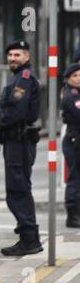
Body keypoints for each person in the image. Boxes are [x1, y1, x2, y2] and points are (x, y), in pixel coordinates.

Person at [0, 39, 42, 256]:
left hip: (19, 140)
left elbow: (16, 111)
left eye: (18, 55)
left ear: (27, 57)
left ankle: (29, 238)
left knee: (18, 189)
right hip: (17, 140)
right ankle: (28, 235)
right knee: (18, 188)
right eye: (11, 55)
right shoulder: (18, 77)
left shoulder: (24, 79)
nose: (13, 58)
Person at [61, 62, 80, 230]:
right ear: (68, 79)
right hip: (74, 140)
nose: (79, 78)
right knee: (74, 178)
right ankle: (73, 215)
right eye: (75, 76)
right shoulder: (71, 96)